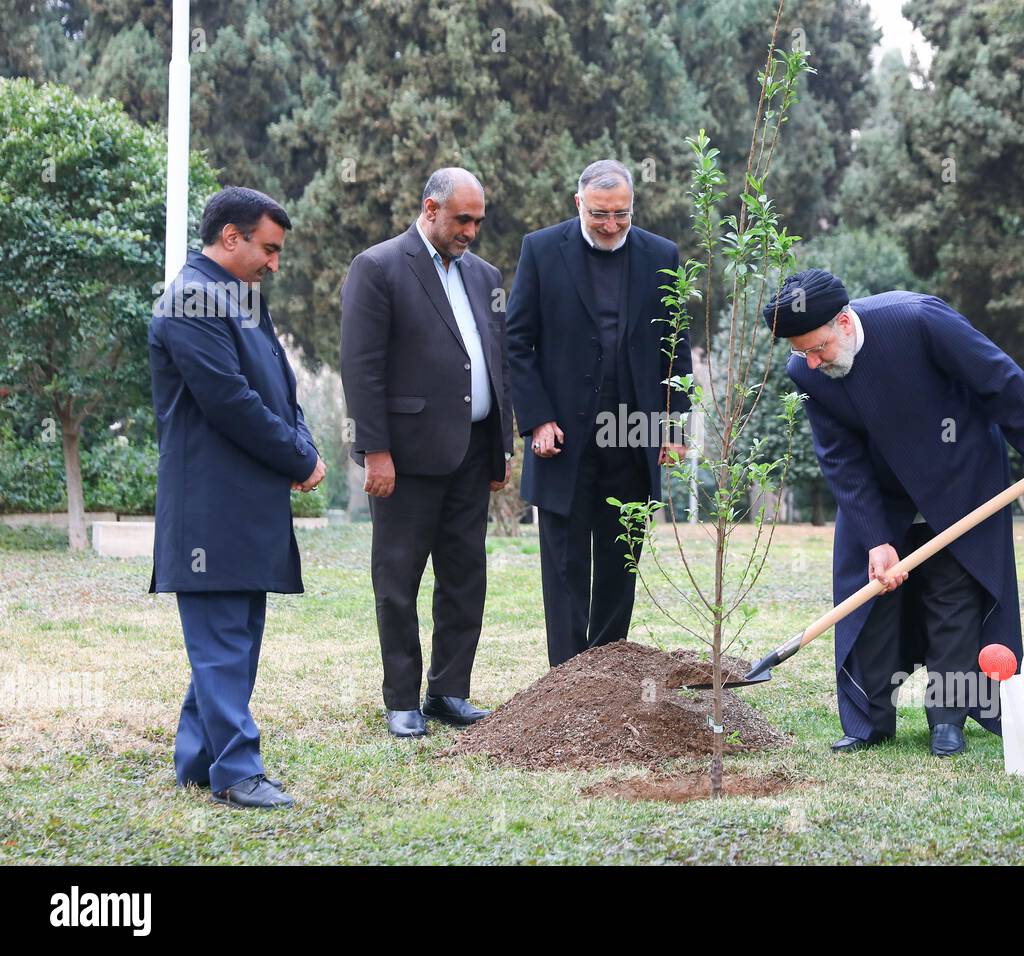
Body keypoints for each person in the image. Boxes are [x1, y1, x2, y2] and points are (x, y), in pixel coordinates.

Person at [764, 269, 1024, 757]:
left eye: (818, 347)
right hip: (882, 495)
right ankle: (869, 723)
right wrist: (875, 537)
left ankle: (948, 723)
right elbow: (840, 459)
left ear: (844, 323)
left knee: (953, 598)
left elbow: (997, 376)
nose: (812, 360)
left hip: (959, 476)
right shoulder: (806, 371)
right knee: (872, 600)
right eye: (801, 351)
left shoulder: (917, 319)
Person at [149, 186, 325, 809]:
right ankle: (236, 772)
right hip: (210, 507)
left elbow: (278, 386)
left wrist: (302, 440)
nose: (274, 263)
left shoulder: (240, 297)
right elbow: (230, 401)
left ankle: (197, 761)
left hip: (246, 503)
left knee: (234, 638)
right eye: (268, 249)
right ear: (231, 237)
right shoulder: (194, 298)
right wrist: (299, 457)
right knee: (222, 642)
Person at [340, 168, 512, 738]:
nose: (470, 231)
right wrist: (376, 451)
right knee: (398, 578)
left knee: (466, 577)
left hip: (471, 453)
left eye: (478, 221)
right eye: (462, 219)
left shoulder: (485, 275)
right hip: (406, 459)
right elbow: (361, 368)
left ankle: (449, 691)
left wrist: (499, 448)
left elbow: (495, 363)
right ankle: (401, 700)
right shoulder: (379, 266)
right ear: (430, 207)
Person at [506, 159, 691, 667]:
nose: (611, 225)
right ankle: (566, 678)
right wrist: (537, 418)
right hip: (562, 434)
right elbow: (518, 342)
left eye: (622, 215)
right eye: (599, 214)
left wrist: (674, 426)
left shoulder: (662, 255)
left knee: (619, 559)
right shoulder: (541, 250)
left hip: (633, 433)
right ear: (578, 204)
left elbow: (677, 347)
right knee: (564, 563)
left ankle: (607, 672)